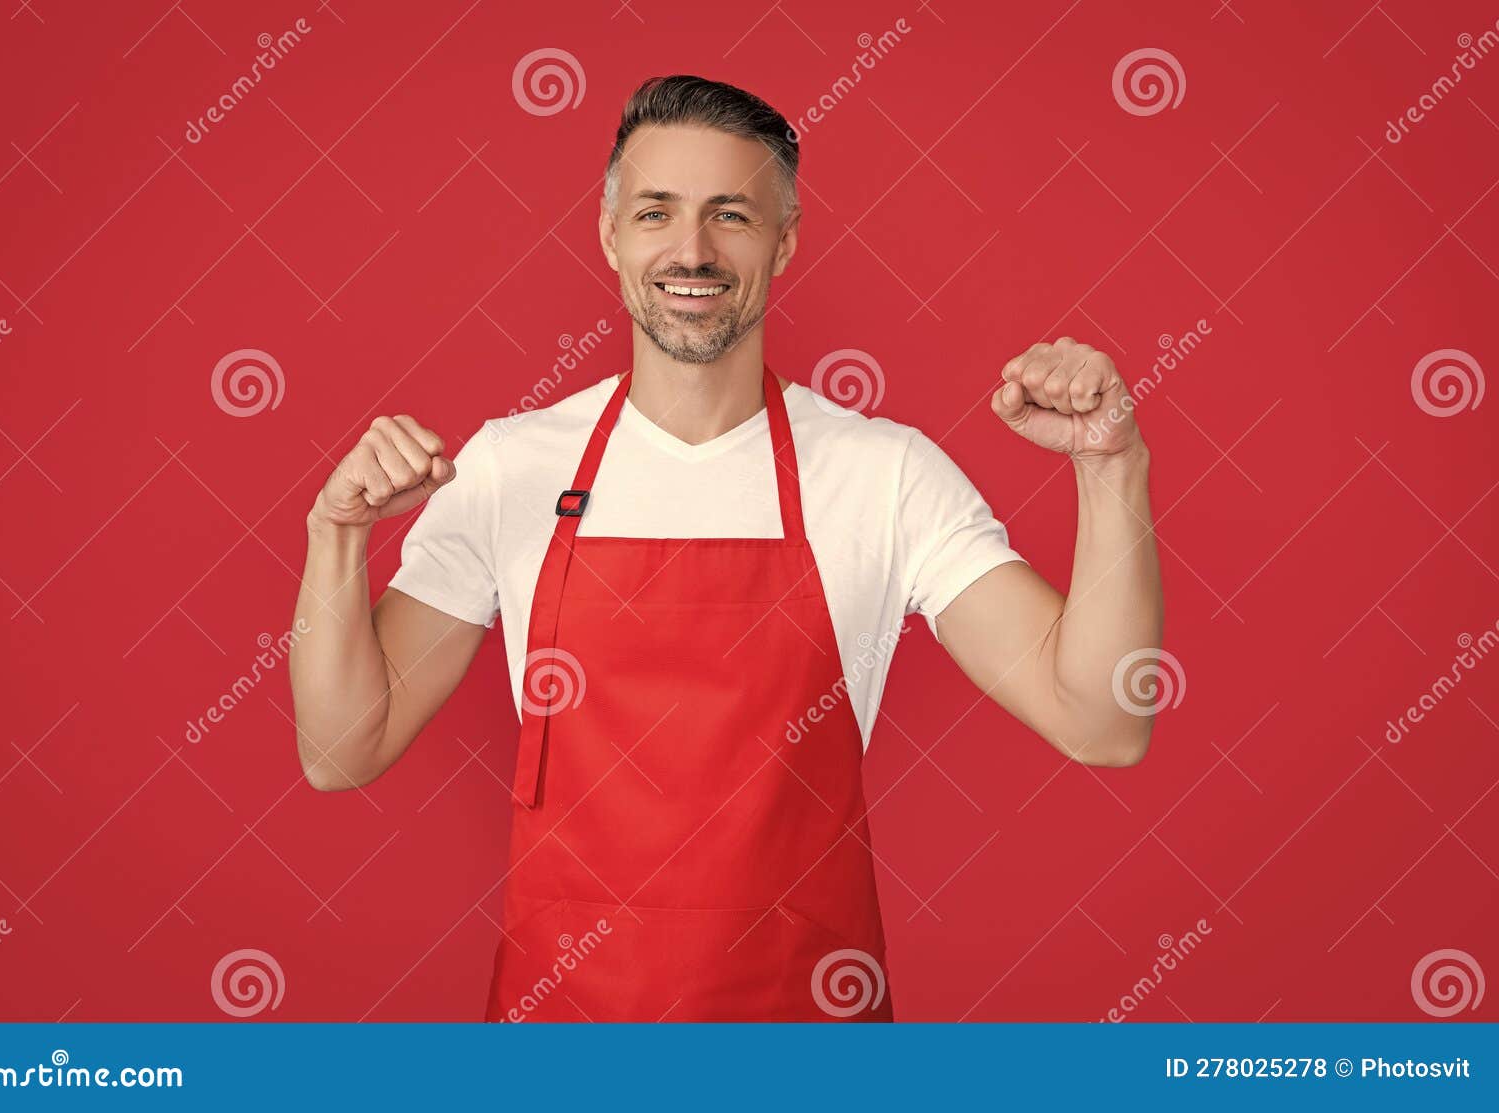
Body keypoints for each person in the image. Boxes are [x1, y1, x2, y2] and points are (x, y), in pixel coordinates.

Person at [288, 75, 1163, 1022]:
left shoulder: (884, 474)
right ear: (610, 234)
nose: (692, 250)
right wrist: (336, 534)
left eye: (731, 215)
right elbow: (342, 749)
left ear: (784, 240)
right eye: (655, 212)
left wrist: (1109, 465)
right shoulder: (508, 467)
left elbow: (1101, 721)